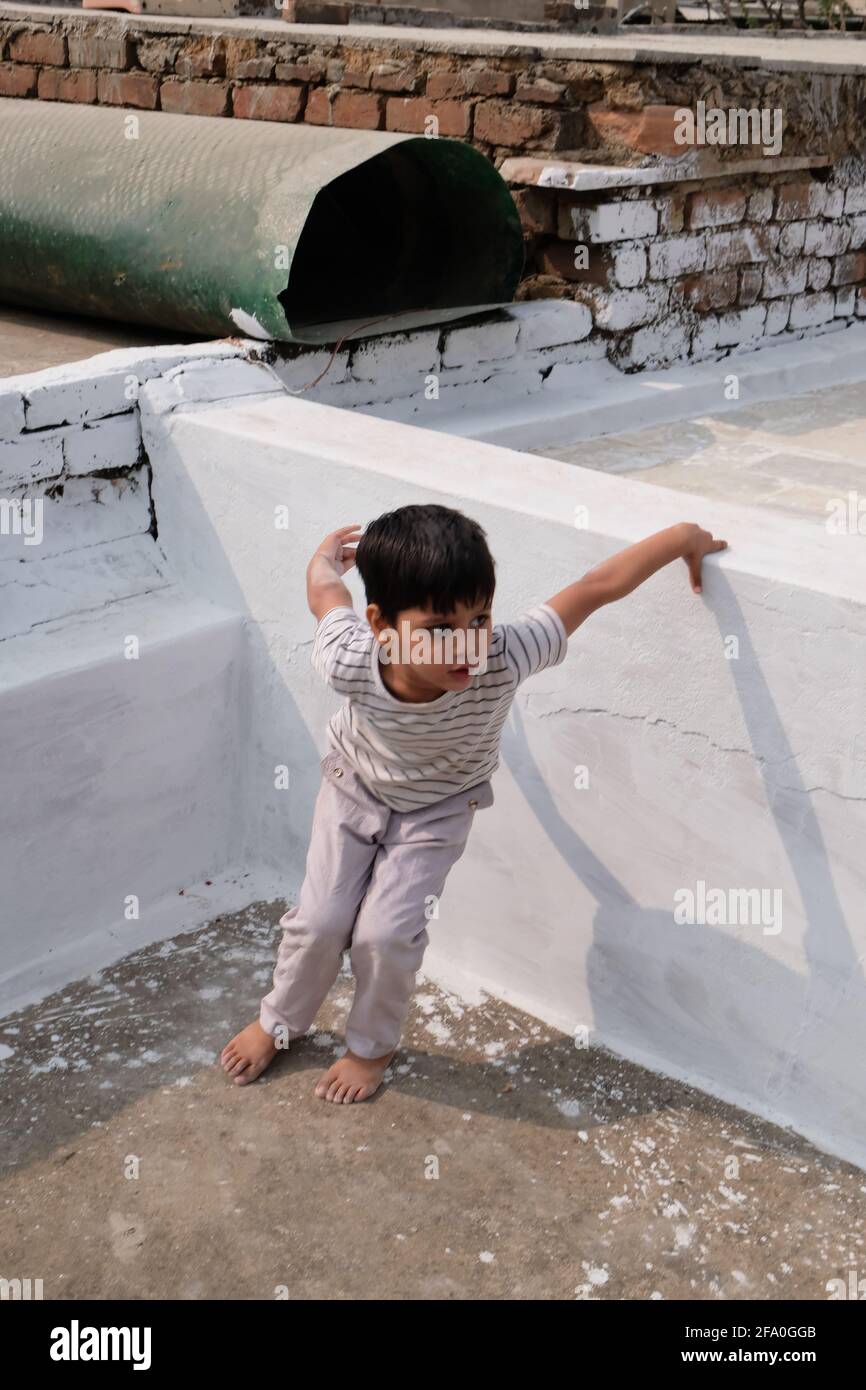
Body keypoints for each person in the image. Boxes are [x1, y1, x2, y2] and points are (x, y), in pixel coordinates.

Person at [220, 503, 726, 1103]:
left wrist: (680, 536)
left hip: (438, 810)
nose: (467, 645)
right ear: (381, 624)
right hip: (352, 785)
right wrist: (323, 557)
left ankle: (371, 1047)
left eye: (480, 617)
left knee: (387, 934)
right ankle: (278, 1021)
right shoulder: (351, 658)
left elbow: (593, 589)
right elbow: (327, 596)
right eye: (439, 628)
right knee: (320, 921)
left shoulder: (504, 654)